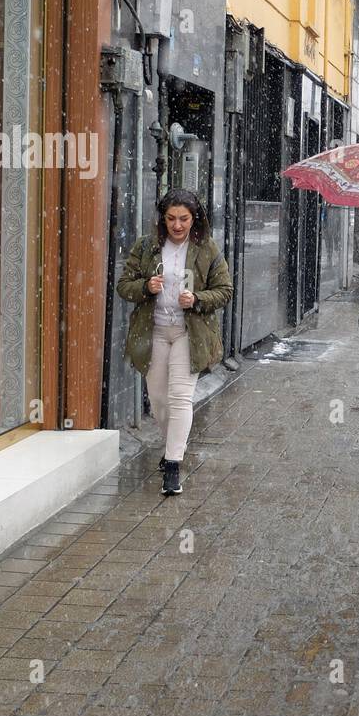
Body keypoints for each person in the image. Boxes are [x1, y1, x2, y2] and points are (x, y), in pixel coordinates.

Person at [116, 189, 233, 496]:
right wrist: (145, 286)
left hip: (188, 334)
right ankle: (173, 446)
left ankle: (172, 465)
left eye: (183, 219)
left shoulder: (206, 249)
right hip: (153, 331)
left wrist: (196, 299)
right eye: (171, 219)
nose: (177, 225)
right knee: (158, 399)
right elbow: (123, 286)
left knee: (180, 397)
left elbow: (224, 290)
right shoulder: (147, 247)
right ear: (162, 219)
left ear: (195, 219)